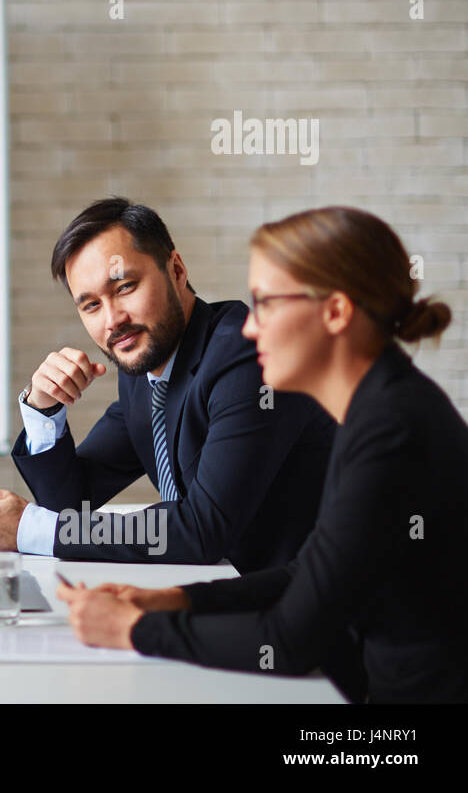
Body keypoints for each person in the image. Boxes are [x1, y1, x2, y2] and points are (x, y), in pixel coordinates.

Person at [59, 206, 468, 704]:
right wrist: (180, 598)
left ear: (335, 312)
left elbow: (287, 642)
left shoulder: (392, 431)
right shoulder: (378, 409)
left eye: (267, 304)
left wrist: (134, 631)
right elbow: (312, 571)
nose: (251, 329)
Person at [0, 198, 334, 572]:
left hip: (316, 607)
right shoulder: (145, 372)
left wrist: (31, 528)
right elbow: (72, 507)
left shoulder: (249, 357)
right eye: (91, 306)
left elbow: (202, 529)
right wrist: (44, 407)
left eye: (125, 287)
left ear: (176, 270)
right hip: (230, 595)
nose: (113, 321)